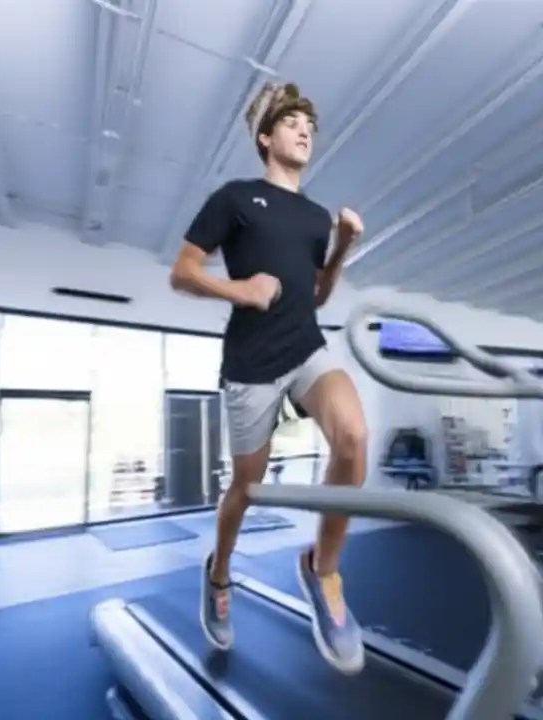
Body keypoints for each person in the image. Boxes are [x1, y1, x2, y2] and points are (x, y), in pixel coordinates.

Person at [168, 82, 369, 674]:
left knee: (354, 438)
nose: (305, 129)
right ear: (266, 138)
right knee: (247, 489)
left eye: (310, 123)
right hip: (252, 363)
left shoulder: (313, 215)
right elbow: (181, 273)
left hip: (305, 347)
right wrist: (241, 289)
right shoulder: (234, 198)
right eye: (293, 122)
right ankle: (220, 573)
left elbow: (315, 294)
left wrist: (341, 248)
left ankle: (322, 571)